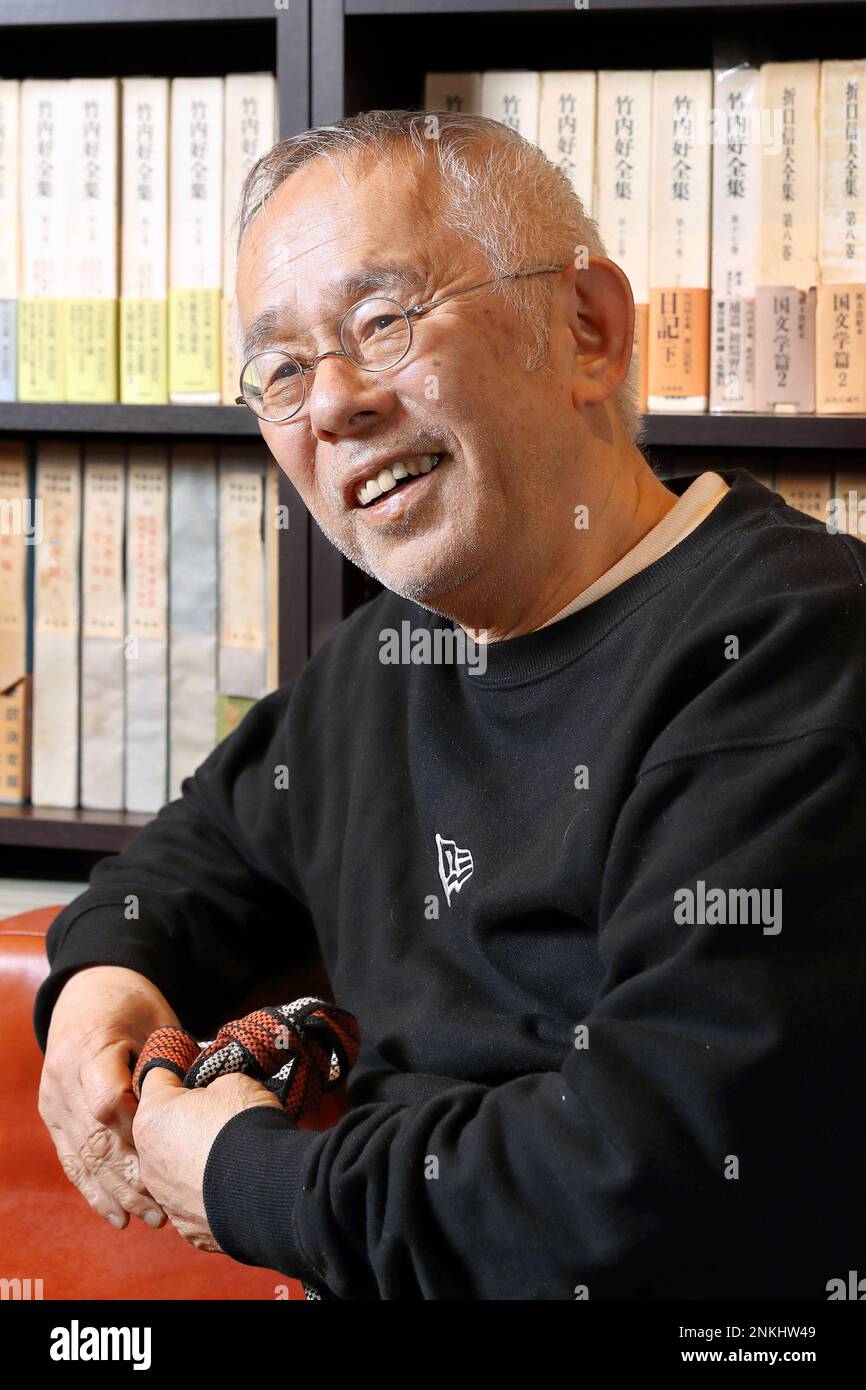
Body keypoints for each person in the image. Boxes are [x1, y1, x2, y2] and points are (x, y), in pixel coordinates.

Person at [34, 110, 866, 1300]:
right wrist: (100, 978)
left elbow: (655, 1179)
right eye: (277, 370)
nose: (329, 405)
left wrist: (247, 1177)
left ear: (584, 330)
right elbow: (196, 853)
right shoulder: (393, 654)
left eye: (381, 322)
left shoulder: (784, 642)